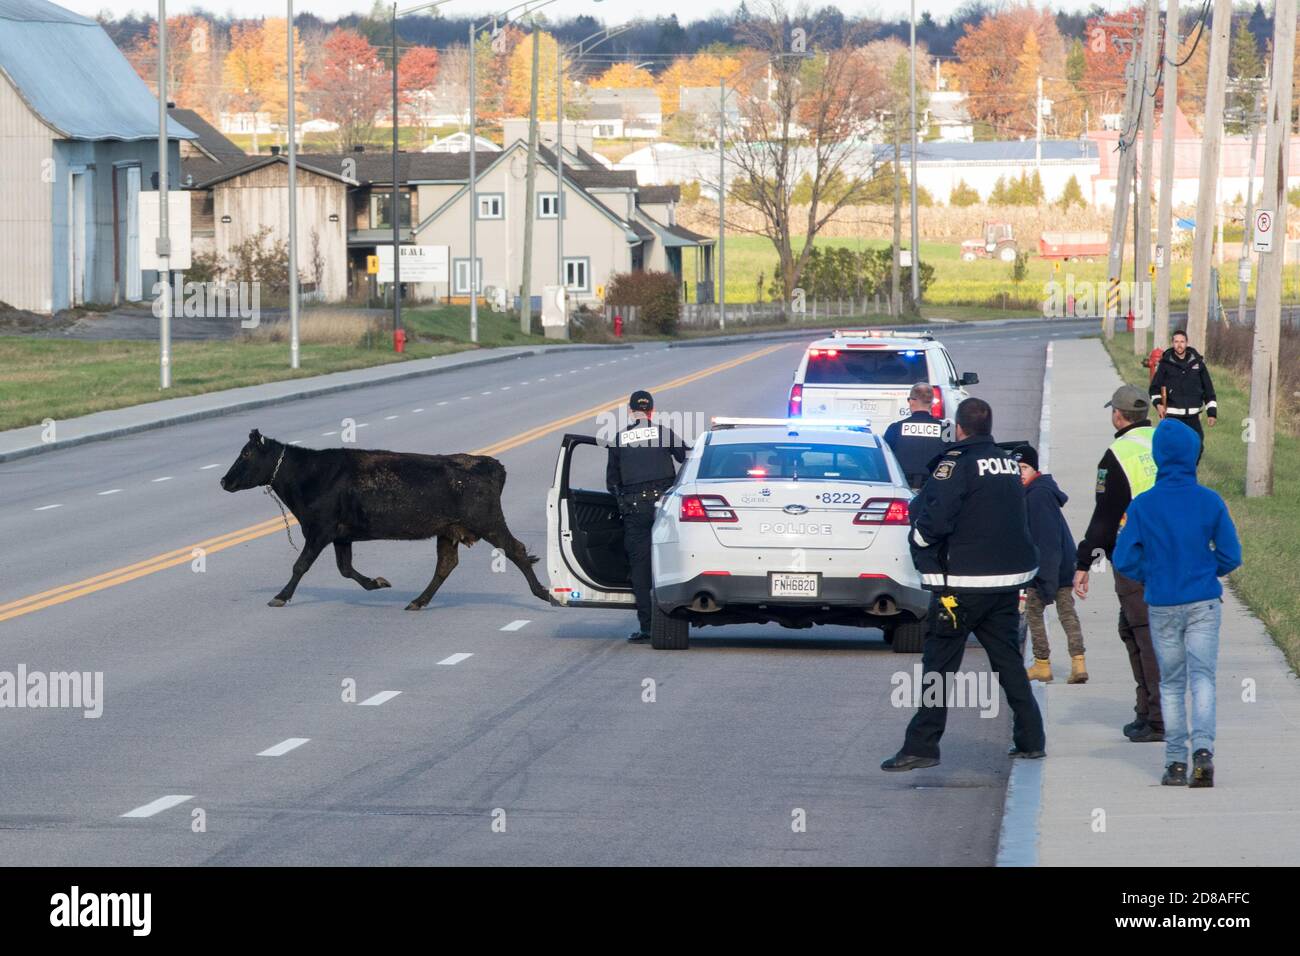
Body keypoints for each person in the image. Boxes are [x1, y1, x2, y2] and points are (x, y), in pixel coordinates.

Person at [881, 398, 1045, 772]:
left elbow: (936, 517)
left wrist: (918, 538)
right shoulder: (1007, 462)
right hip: (1005, 584)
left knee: (938, 667)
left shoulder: (955, 464)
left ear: (959, 428)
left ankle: (922, 746)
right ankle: (1031, 738)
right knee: (1008, 663)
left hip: (960, 586)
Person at [1113, 418, 1241, 787]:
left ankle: (1175, 763)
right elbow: (1231, 555)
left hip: (1162, 602)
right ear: (1193, 455)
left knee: (1170, 683)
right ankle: (1203, 753)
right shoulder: (1210, 501)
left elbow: (1123, 559)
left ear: (1158, 457)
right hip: (1203, 602)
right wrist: (1206, 569)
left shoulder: (1143, 505)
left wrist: (1152, 573)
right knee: (1203, 679)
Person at [1073, 384, 1162, 743]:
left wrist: (1084, 561)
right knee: (1138, 630)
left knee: (1144, 634)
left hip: (1135, 556)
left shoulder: (1116, 455)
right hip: (1173, 555)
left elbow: (1105, 517)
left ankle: (1157, 718)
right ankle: (1145, 711)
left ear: (1118, 415)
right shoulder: (1165, 443)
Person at [605, 390, 688, 644]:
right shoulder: (663, 433)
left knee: (640, 567)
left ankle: (648, 627)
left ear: (631, 411)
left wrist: (624, 500)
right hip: (665, 508)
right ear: (651, 411)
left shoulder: (619, 439)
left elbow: (611, 482)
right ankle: (675, 619)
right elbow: (686, 458)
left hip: (635, 510)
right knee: (672, 561)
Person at [1010, 444, 1088, 685]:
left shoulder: (1037, 496)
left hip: (1048, 566)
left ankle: (1042, 664)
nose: (1020, 473)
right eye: (1016, 468)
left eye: (1024, 467)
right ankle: (1079, 663)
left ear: (1035, 469)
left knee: (1034, 611)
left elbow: (1046, 539)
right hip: (1063, 563)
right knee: (1067, 612)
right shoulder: (1040, 491)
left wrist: (1046, 579)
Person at [1149, 329, 1217, 454]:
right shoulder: (1165, 364)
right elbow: (1154, 389)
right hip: (1172, 418)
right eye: (1176, 342)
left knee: (1197, 448)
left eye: (1182, 341)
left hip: (1193, 418)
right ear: (1172, 343)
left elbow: (1208, 390)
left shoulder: (1198, 364)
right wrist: (1158, 404)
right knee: (1173, 450)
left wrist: (1212, 413)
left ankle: (1191, 466)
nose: (1179, 345)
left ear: (1187, 343)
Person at [882, 383, 950, 490]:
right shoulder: (946, 430)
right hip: (935, 487)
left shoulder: (896, 428)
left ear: (911, 401)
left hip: (904, 486)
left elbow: (885, 459)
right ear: (932, 402)